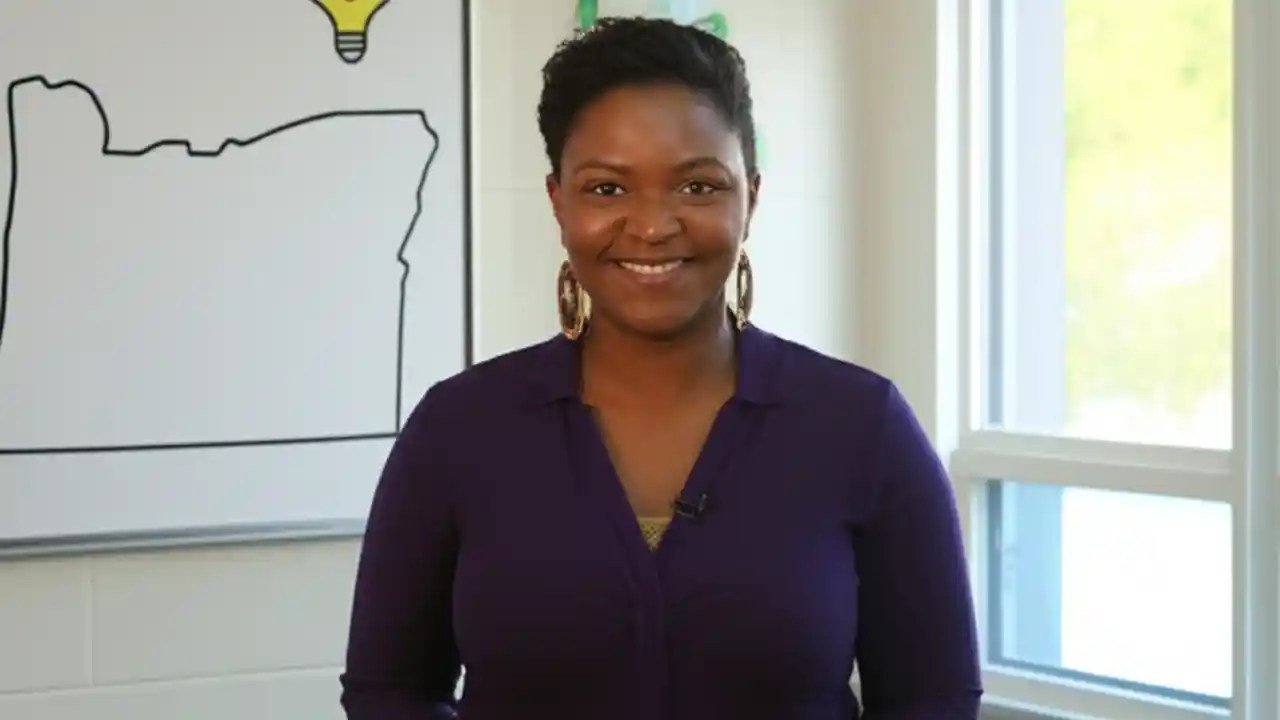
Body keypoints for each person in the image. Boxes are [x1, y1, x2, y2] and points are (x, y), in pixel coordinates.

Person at [339, 16, 982, 720]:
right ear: (558, 202)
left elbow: (935, 699)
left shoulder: (862, 426)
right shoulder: (459, 429)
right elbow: (389, 690)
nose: (652, 226)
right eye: (607, 189)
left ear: (752, 197)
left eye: (698, 187)